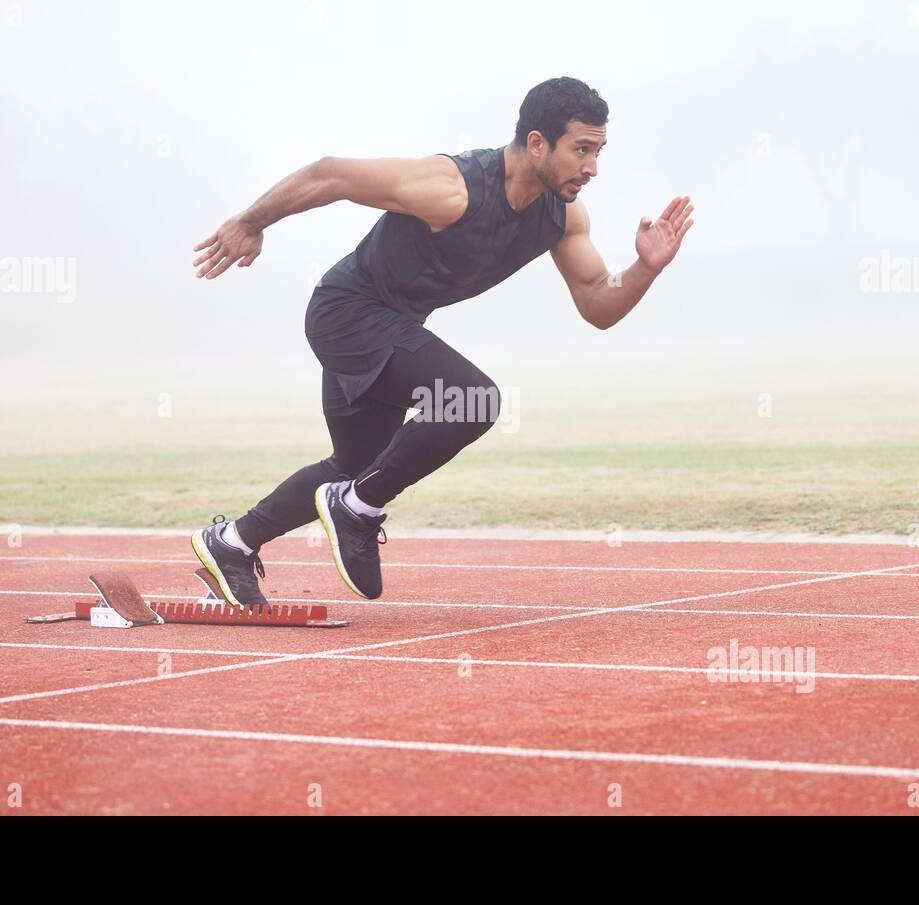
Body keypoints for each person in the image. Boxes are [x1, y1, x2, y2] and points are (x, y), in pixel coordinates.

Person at [189, 76, 694, 609]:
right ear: (539, 143)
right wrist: (251, 221)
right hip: (347, 313)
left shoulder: (562, 216)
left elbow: (597, 303)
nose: (592, 167)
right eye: (582, 149)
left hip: (390, 327)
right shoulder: (452, 187)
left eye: (599, 151)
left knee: (355, 465)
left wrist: (645, 267)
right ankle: (357, 509)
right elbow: (330, 173)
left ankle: (232, 543)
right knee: (473, 400)